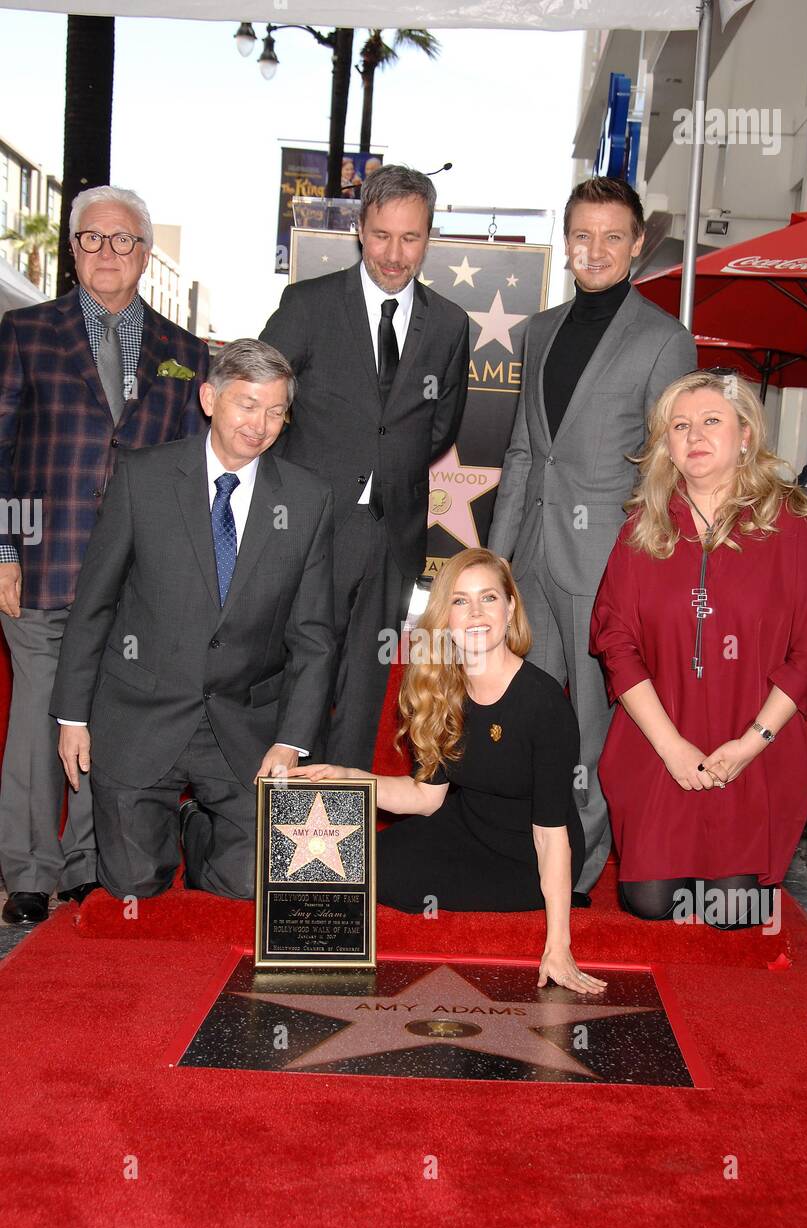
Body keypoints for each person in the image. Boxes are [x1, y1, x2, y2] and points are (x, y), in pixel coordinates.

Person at [50, 341, 336, 903]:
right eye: (247, 405)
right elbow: (95, 605)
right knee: (133, 888)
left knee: (249, 889)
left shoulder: (308, 500)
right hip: (139, 716)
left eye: (276, 411)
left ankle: (196, 829)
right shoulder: (142, 477)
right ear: (209, 399)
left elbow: (314, 637)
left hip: (244, 729)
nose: (261, 425)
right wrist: (73, 716)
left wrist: (291, 741)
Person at [0, 185, 209, 928]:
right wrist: (2, 547)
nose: (106, 254)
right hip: (42, 561)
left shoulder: (185, 354)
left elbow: (193, 467)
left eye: (123, 241)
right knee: (38, 715)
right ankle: (28, 871)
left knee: (105, 720)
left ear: (145, 255)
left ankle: (89, 864)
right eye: (91, 239)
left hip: (137, 575)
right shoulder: (23, 333)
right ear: (72, 248)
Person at [488, 176, 697, 897]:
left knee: (587, 729)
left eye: (613, 235)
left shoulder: (664, 340)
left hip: (610, 563)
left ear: (637, 245)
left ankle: (577, 873)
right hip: (534, 558)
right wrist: (498, 559)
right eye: (583, 234)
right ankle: (527, 856)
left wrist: (645, 569)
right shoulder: (540, 330)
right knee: (526, 716)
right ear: (566, 241)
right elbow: (524, 451)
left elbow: (668, 464)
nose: (596, 249)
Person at [589, 371, 807, 927]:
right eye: (680, 426)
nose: (694, 435)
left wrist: (752, 744)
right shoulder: (642, 529)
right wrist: (673, 748)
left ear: (745, 435)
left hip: (755, 749)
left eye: (711, 421)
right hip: (661, 743)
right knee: (652, 905)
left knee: (734, 912)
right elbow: (616, 643)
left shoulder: (792, 528)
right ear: (667, 444)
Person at [294, 548, 606, 997]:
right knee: (352, 861)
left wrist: (559, 942)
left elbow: (550, 834)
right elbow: (426, 797)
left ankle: (555, 897)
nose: (476, 613)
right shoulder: (441, 687)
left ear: (511, 607)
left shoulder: (543, 703)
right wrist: (348, 777)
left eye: (489, 598)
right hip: (463, 824)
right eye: (460, 601)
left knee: (395, 881)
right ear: (445, 616)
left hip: (527, 852)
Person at [260, 164, 470, 770]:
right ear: (360, 230)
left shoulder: (451, 324)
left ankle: (332, 850)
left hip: (393, 537)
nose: (395, 254)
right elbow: (260, 406)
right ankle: (278, 831)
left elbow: (439, 428)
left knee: (364, 696)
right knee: (299, 680)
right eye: (382, 235)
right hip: (312, 529)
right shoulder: (308, 305)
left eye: (411, 238)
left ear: (429, 238)